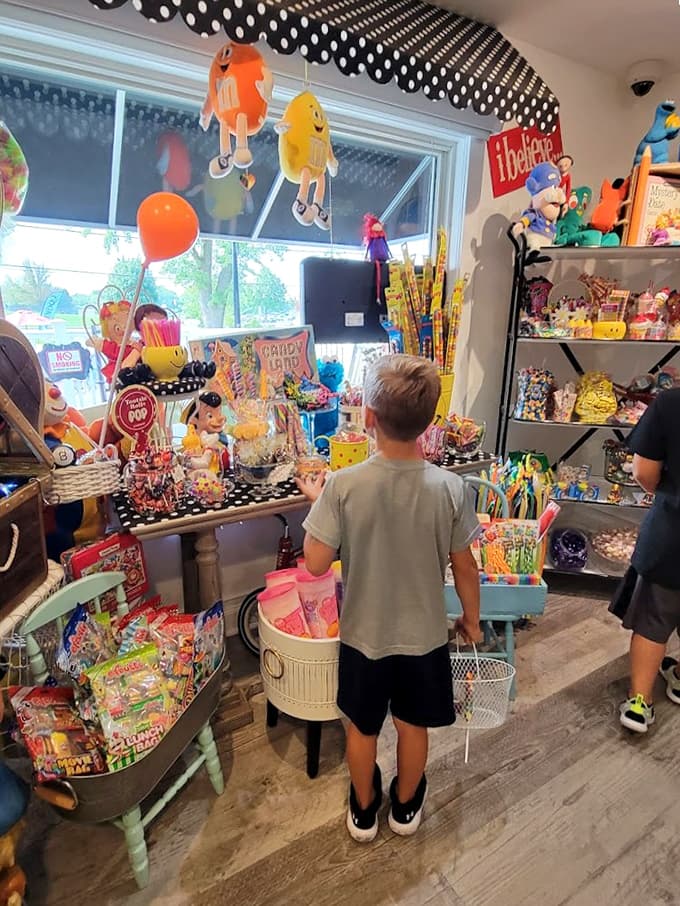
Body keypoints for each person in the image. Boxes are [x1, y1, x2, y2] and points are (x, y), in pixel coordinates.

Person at [296, 355, 482, 842]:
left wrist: (317, 502)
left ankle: (362, 810)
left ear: (370, 417)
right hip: (424, 637)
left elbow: (315, 562)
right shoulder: (452, 488)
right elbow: (466, 565)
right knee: (413, 724)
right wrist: (473, 619)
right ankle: (404, 808)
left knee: (362, 728)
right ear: (429, 422)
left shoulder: (341, 485)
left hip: (363, 636)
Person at [610, 388, 680, 733]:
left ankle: (639, 701)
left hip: (673, 531)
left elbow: (643, 472)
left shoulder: (670, 403)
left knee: (653, 619)